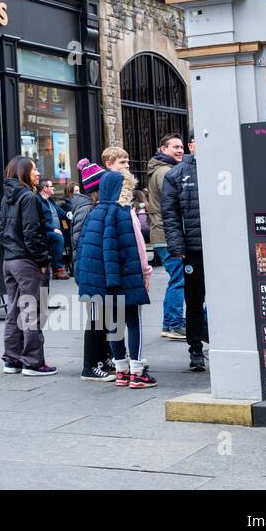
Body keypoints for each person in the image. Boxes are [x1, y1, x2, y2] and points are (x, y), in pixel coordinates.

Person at [76, 167, 156, 388]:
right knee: (134, 322)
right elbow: (138, 248)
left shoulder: (94, 213)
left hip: (102, 282)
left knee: (114, 324)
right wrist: (146, 272)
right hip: (125, 276)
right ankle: (137, 371)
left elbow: (84, 250)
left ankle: (121, 369)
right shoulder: (124, 213)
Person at [0, 156, 56, 376]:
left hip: (10, 260)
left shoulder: (7, 198)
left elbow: (1, 229)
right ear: (23, 173)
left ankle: (12, 360)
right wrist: (41, 260)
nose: (38, 173)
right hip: (27, 261)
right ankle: (33, 361)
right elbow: (32, 232)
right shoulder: (29, 197)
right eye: (34, 170)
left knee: (13, 309)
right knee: (32, 310)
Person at [162, 138, 206, 372]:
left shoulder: (226, 167)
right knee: (195, 301)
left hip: (223, 248)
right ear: (192, 145)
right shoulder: (176, 175)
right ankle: (195, 349)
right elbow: (170, 215)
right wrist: (177, 248)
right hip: (193, 249)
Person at [71, 158, 112, 381]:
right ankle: (90, 366)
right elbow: (81, 244)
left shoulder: (92, 207)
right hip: (90, 273)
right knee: (96, 320)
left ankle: (101, 358)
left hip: (93, 273)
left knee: (102, 320)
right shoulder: (87, 210)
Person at [146, 133, 186, 340]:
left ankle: (170, 322)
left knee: (177, 278)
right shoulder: (165, 172)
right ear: (163, 149)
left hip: (164, 232)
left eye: (181, 147)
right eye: (175, 147)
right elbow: (176, 199)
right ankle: (175, 324)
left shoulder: (165, 169)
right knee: (179, 279)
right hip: (166, 233)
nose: (180, 150)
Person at [39, 178, 68, 280]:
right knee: (58, 237)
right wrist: (52, 229)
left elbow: (62, 213)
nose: (53, 188)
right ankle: (57, 269)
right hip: (44, 232)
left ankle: (68, 265)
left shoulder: (51, 201)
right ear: (45, 189)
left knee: (66, 234)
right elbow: (39, 220)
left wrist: (70, 215)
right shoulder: (38, 201)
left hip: (56, 231)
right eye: (51, 186)